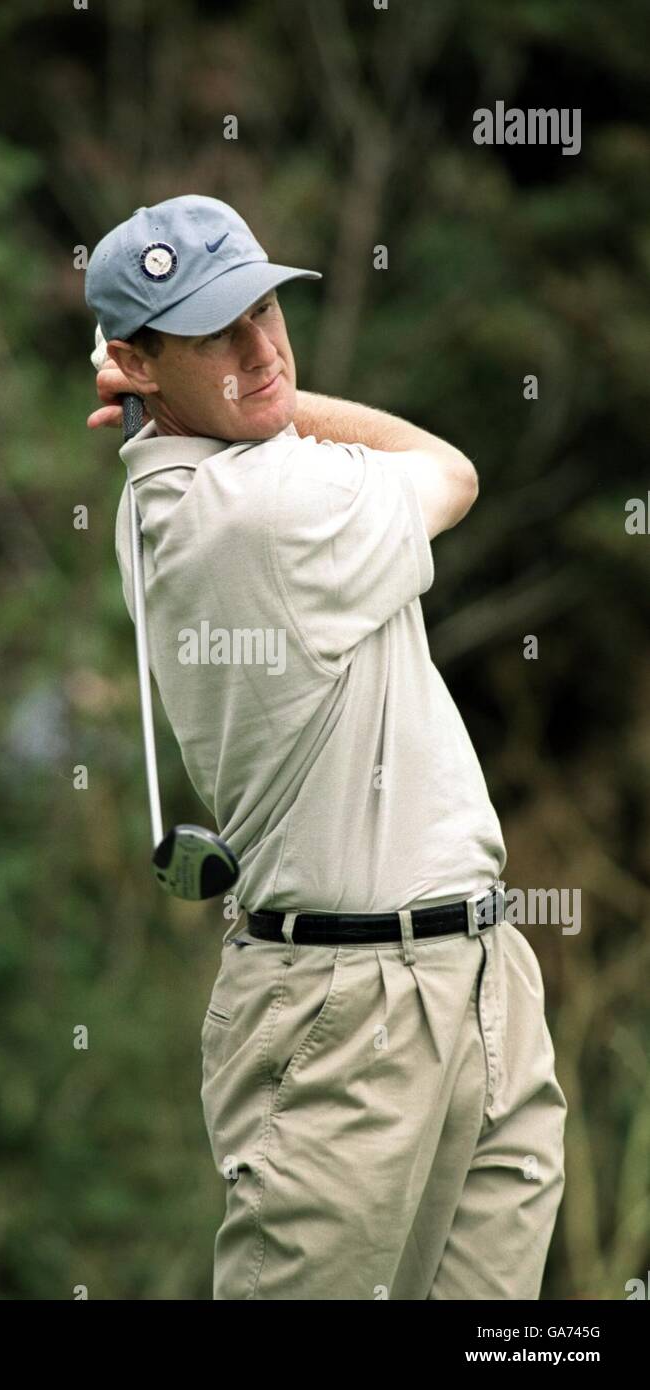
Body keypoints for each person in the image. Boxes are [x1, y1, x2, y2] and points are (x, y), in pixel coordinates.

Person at [84, 193, 567, 1300]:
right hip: (347, 1019)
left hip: (480, 978)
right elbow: (448, 468)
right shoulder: (250, 512)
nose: (262, 348)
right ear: (133, 363)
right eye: (217, 332)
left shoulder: (230, 471)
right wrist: (288, 406)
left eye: (265, 308)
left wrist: (237, 398)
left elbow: (279, 419)